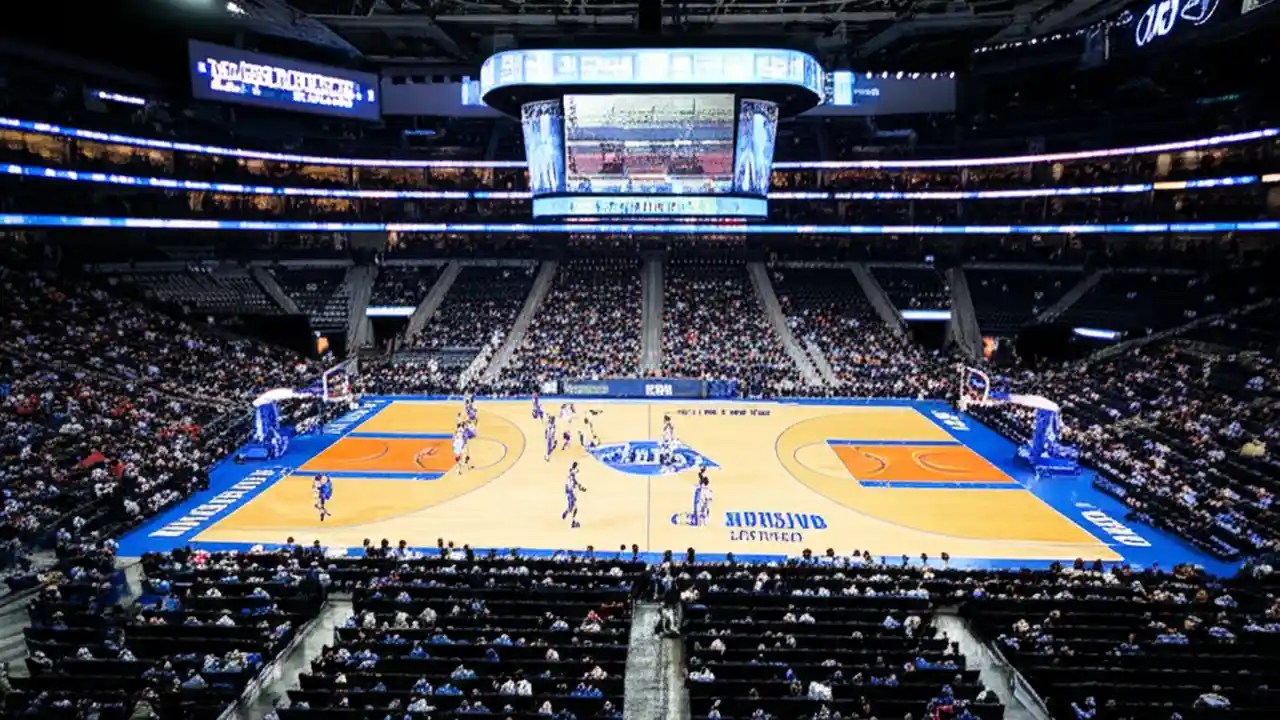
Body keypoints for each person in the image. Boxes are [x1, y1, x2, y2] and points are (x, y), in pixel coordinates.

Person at [562, 462, 587, 528]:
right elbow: (574, 483)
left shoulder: (570, 474)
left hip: (568, 492)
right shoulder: (572, 476)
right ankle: (572, 522)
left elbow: (573, 482)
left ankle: (566, 513)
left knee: (572, 507)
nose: (578, 470)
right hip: (571, 493)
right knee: (574, 508)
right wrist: (581, 488)